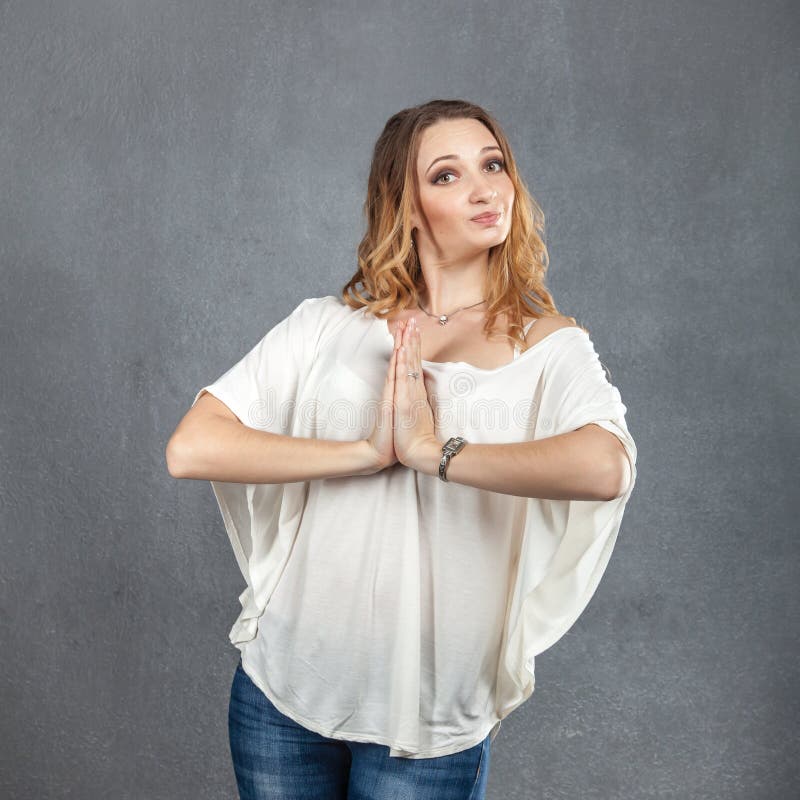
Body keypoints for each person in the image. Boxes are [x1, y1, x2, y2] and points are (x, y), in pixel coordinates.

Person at [166, 98, 637, 800]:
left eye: (494, 164)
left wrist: (433, 451)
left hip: (428, 717)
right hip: (284, 694)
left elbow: (606, 467)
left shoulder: (547, 344)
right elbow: (192, 448)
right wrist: (364, 452)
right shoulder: (327, 326)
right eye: (447, 175)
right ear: (406, 204)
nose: (485, 189)